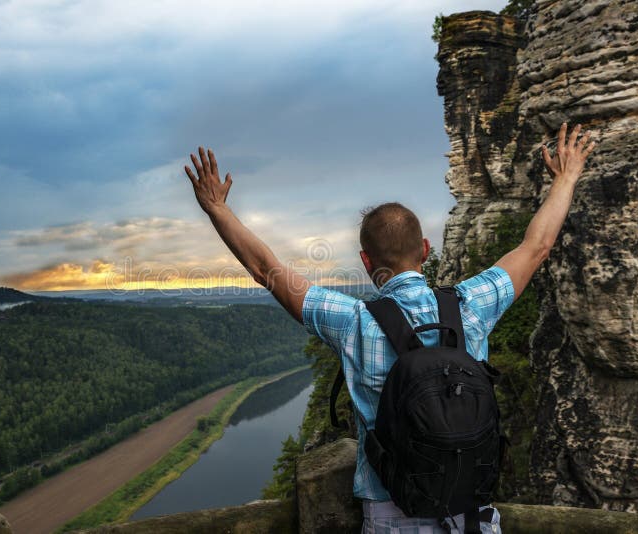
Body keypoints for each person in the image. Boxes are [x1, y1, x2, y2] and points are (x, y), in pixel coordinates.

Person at [182, 122, 595, 533]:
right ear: (426, 251)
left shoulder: (355, 322)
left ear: (366, 261)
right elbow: (536, 247)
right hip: (473, 513)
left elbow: (265, 270)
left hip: (391, 514)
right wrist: (566, 176)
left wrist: (217, 208)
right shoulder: (471, 304)